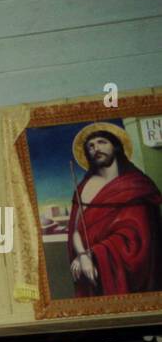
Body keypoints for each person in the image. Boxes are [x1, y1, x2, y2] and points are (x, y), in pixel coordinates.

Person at [66, 122, 162, 297]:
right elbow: (76, 230)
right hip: (90, 267)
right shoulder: (83, 187)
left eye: (102, 142)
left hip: (127, 268)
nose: (96, 148)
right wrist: (82, 255)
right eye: (91, 146)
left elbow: (139, 233)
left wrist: (94, 253)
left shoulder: (135, 185)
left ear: (116, 146)